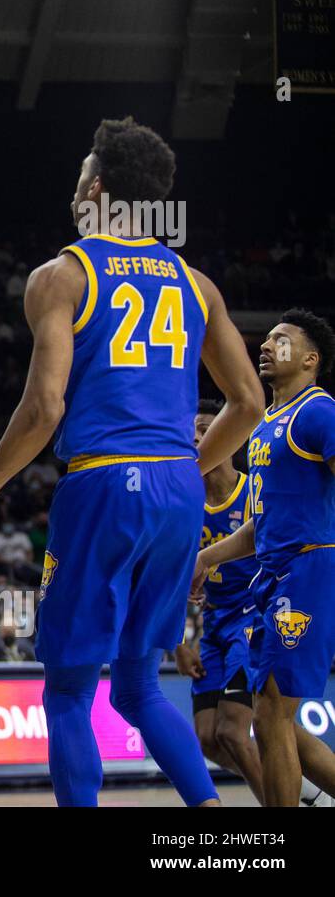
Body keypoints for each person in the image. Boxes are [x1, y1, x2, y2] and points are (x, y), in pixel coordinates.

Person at [0, 116, 265, 807]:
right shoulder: (197, 282)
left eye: (78, 176)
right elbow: (246, 402)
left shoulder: (61, 275)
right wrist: (184, 464)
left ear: (95, 187)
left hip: (102, 484)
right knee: (139, 686)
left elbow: (44, 411)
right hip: (180, 492)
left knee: (68, 687)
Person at [193, 311, 335, 806]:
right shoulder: (262, 430)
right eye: (268, 339)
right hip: (273, 572)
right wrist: (207, 557)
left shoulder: (319, 413)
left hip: (311, 567)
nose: (268, 346)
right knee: (271, 717)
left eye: (283, 340)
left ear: (311, 360)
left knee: (270, 714)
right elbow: (259, 527)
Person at [174, 400, 265, 801]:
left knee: (233, 729)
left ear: (229, 436)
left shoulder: (252, 492)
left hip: (254, 616)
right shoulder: (184, 506)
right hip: (213, 626)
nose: (196, 437)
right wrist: (179, 641)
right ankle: (294, 786)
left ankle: (290, 799)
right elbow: (169, 580)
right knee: (208, 738)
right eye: (191, 431)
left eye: (206, 428)